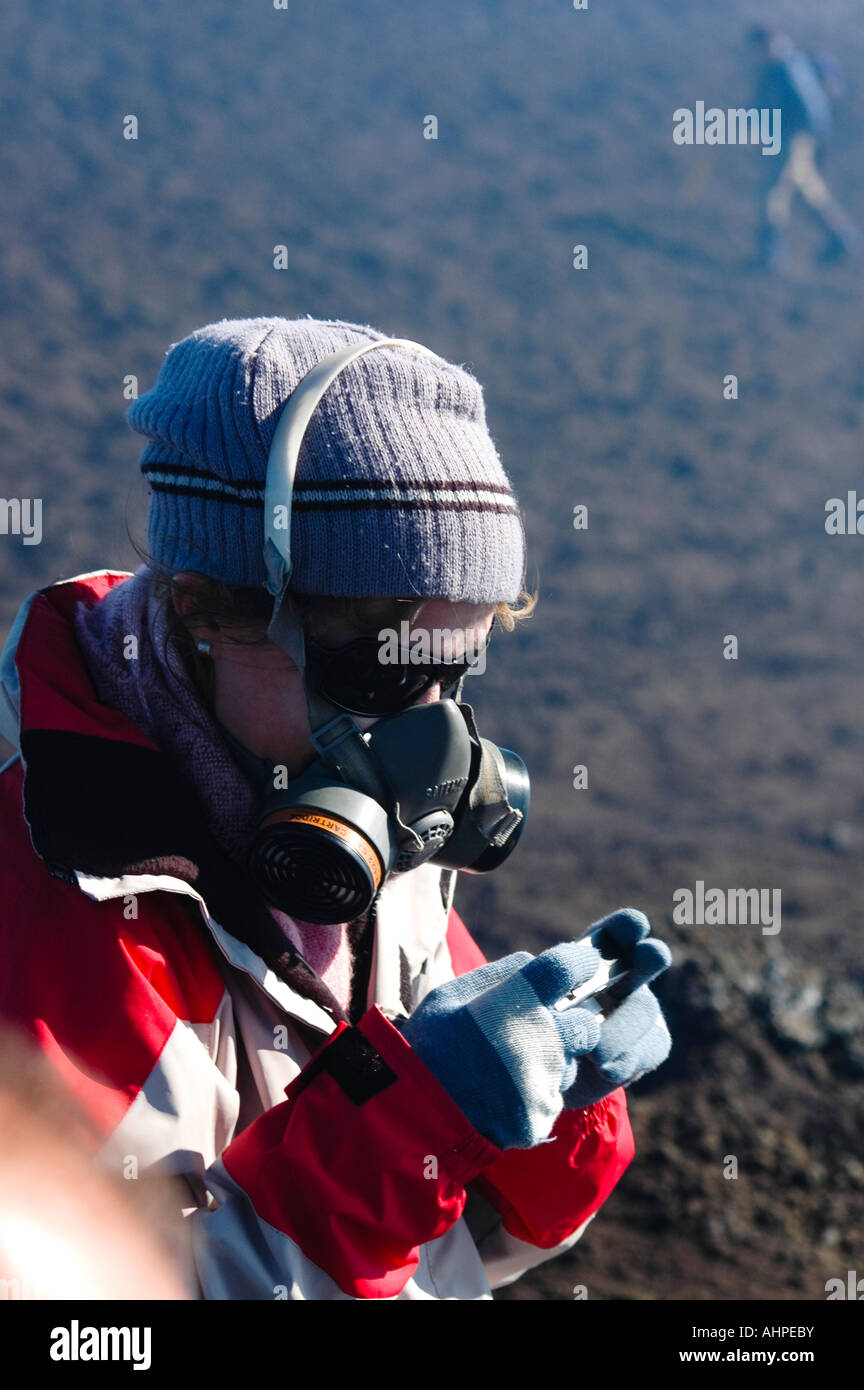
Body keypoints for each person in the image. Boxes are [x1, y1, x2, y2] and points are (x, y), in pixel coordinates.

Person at [0, 315, 672, 1300]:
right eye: (376, 667)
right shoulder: (46, 921)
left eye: (453, 669)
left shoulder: (362, 841)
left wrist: (548, 1115)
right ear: (200, 609)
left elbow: (430, 1253)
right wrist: (406, 1120)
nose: (430, 738)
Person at [750, 24, 859, 270]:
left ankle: (770, 252)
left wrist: (792, 134)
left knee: (774, 190)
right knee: (807, 187)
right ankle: (840, 234)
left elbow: (801, 107)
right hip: (797, 137)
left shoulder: (784, 68)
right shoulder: (784, 66)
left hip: (791, 138)